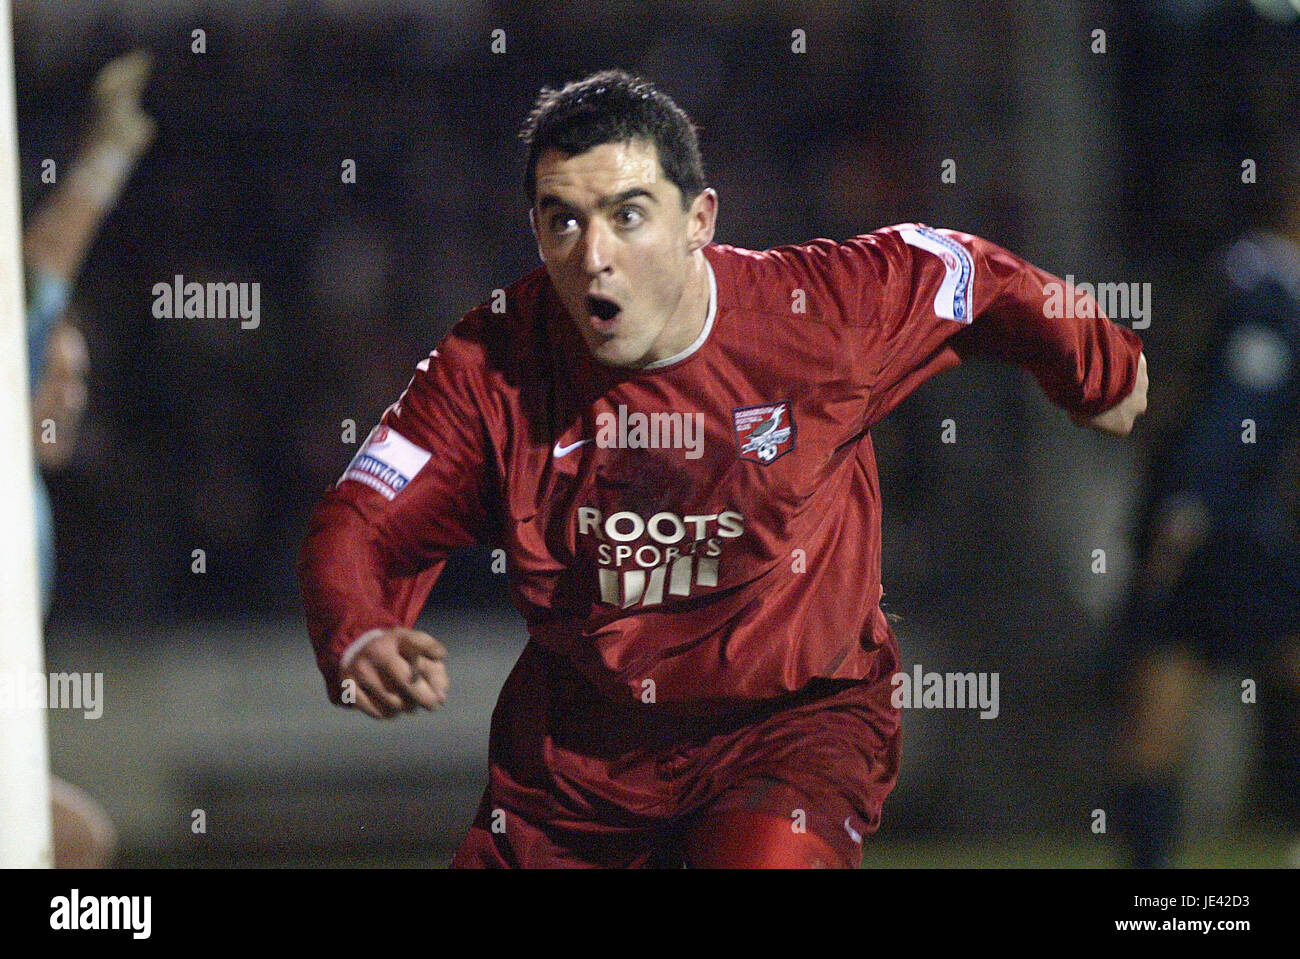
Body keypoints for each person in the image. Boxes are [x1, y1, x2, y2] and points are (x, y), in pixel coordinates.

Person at [299, 69, 1147, 868]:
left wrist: (1100, 366)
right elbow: (361, 519)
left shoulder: (822, 316)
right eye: (562, 219)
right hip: (578, 764)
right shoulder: (492, 365)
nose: (593, 254)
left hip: (792, 727)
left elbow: (977, 274)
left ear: (699, 219)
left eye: (627, 214)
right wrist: (359, 630)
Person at [1115, 206, 1300, 869]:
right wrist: (1190, 507)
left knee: (1164, 685)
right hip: (1227, 526)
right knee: (1172, 685)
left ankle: (1149, 869)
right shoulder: (1267, 296)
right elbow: (1233, 414)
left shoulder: (1231, 274)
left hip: (1192, 513)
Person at [25, 48, 157, 868]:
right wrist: (107, 158)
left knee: (79, 842)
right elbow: (42, 271)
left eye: (82, 380)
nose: (74, 398)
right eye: (56, 375)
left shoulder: (32, 504)